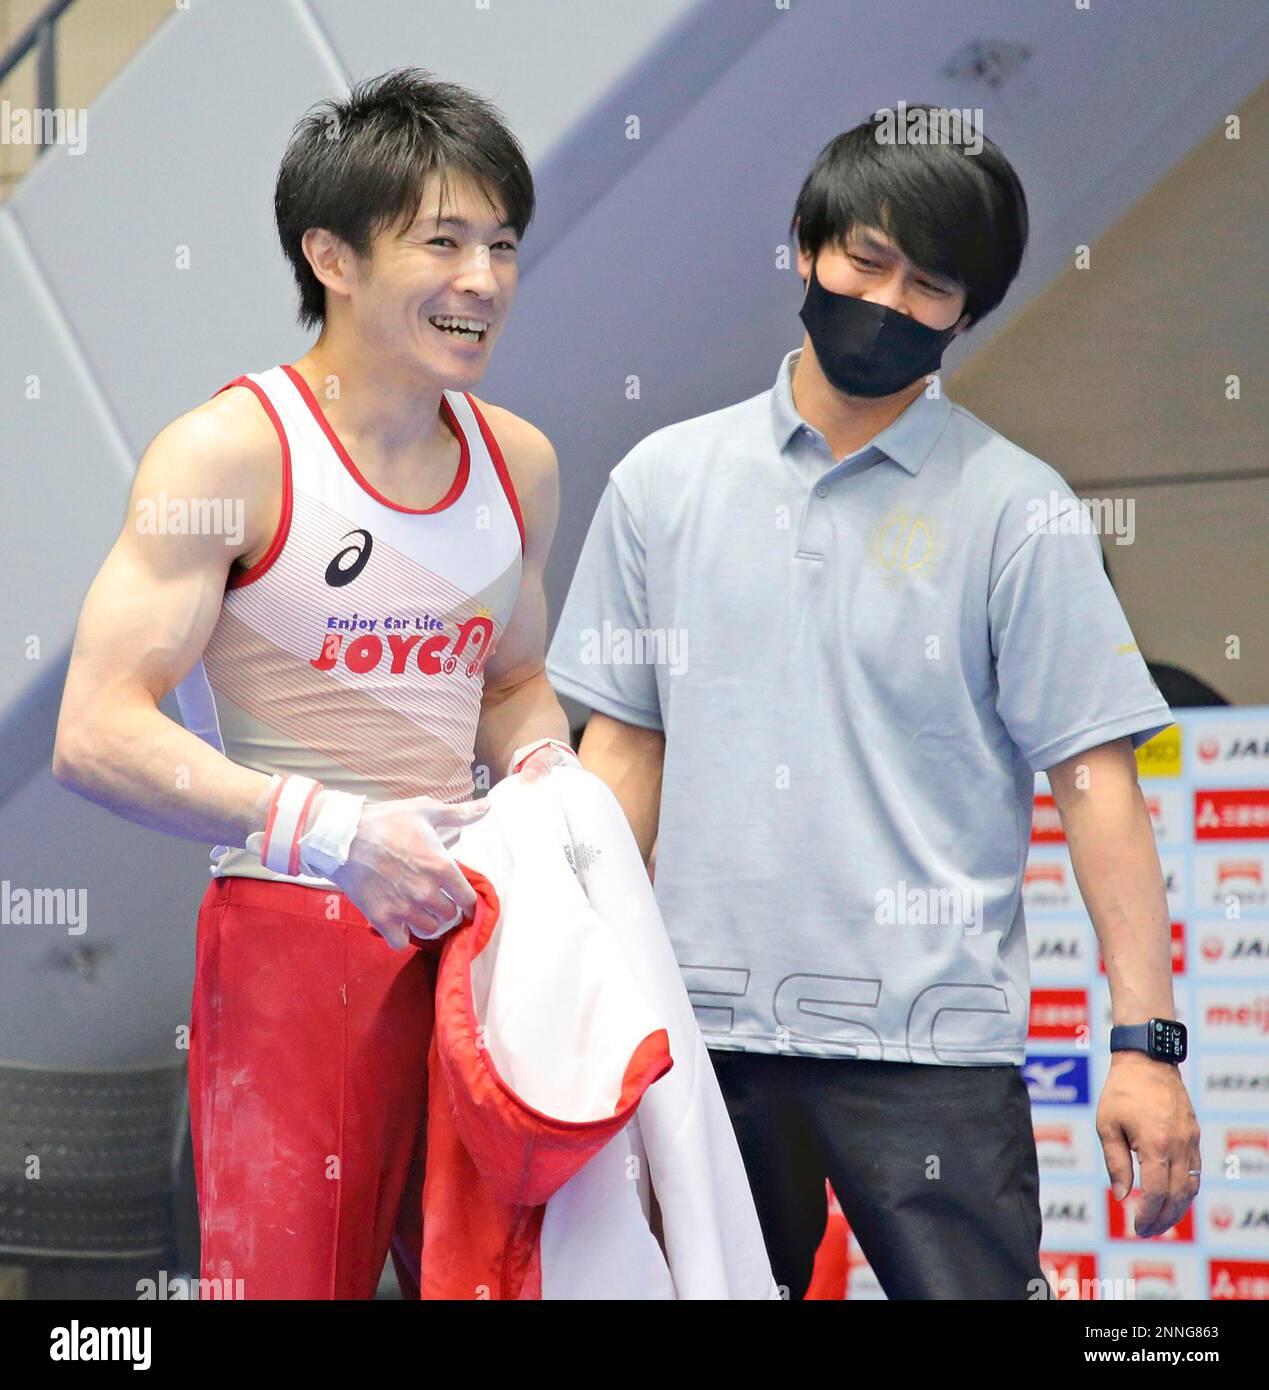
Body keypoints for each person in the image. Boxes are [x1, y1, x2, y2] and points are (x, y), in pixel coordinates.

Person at [546, 106, 1201, 1300]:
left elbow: (1097, 785)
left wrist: (1147, 1046)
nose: (890, 301)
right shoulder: (662, 483)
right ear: (803, 246)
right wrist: (581, 993)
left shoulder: (1021, 509)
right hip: (698, 1043)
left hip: (933, 1051)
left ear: (970, 308)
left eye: (932, 283)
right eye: (864, 259)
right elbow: (619, 758)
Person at [52, 68, 578, 1300]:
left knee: (508, 1283)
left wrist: (553, 782)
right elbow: (92, 730)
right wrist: (333, 833)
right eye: (442, 242)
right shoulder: (231, 453)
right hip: (296, 936)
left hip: (476, 928)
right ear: (331, 256)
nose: (484, 281)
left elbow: (513, 682)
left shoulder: (522, 464)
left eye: (502, 246)